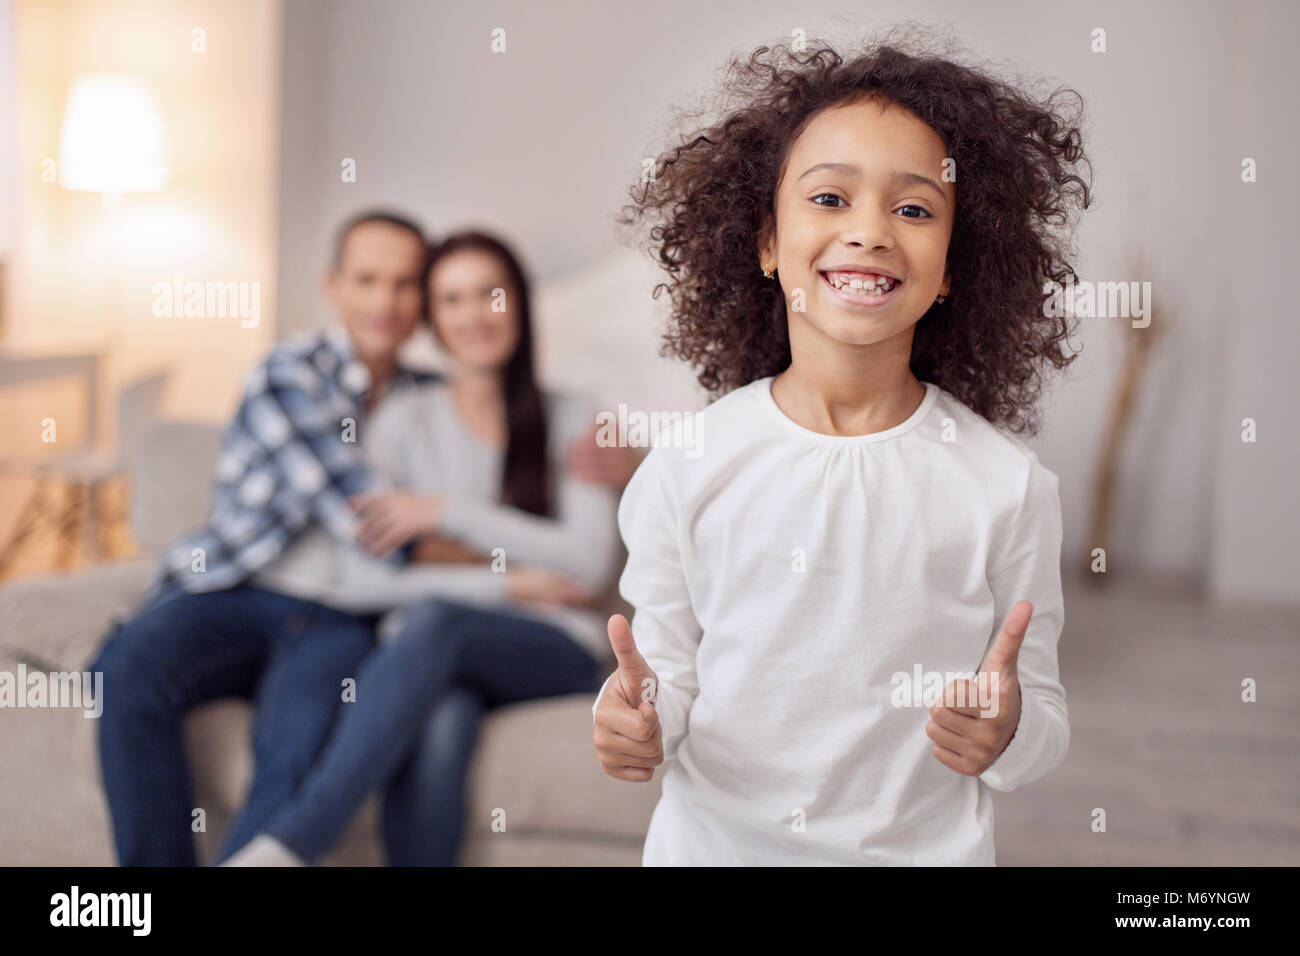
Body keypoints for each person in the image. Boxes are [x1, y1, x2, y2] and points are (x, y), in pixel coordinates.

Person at [593, 35, 1091, 865]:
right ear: (763, 241)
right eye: (829, 198)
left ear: (952, 269)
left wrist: (1008, 733)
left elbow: (1038, 712)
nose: (868, 232)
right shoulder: (688, 465)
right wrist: (633, 719)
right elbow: (668, 680)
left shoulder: (1006, 487)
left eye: (915, 208)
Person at [222, 231, 622, 866]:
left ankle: (289, 847)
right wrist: (510, 583)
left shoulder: (578, 418)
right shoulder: (403, 422)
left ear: (518, 302)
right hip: (439, 656)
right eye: (451, 299)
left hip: (555, 647)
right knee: (442, 712)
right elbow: (361, 580)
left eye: (489, 294)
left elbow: (585, 562)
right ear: (432, 319)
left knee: (436, 623)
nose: (473, 315)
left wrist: (445, 511)